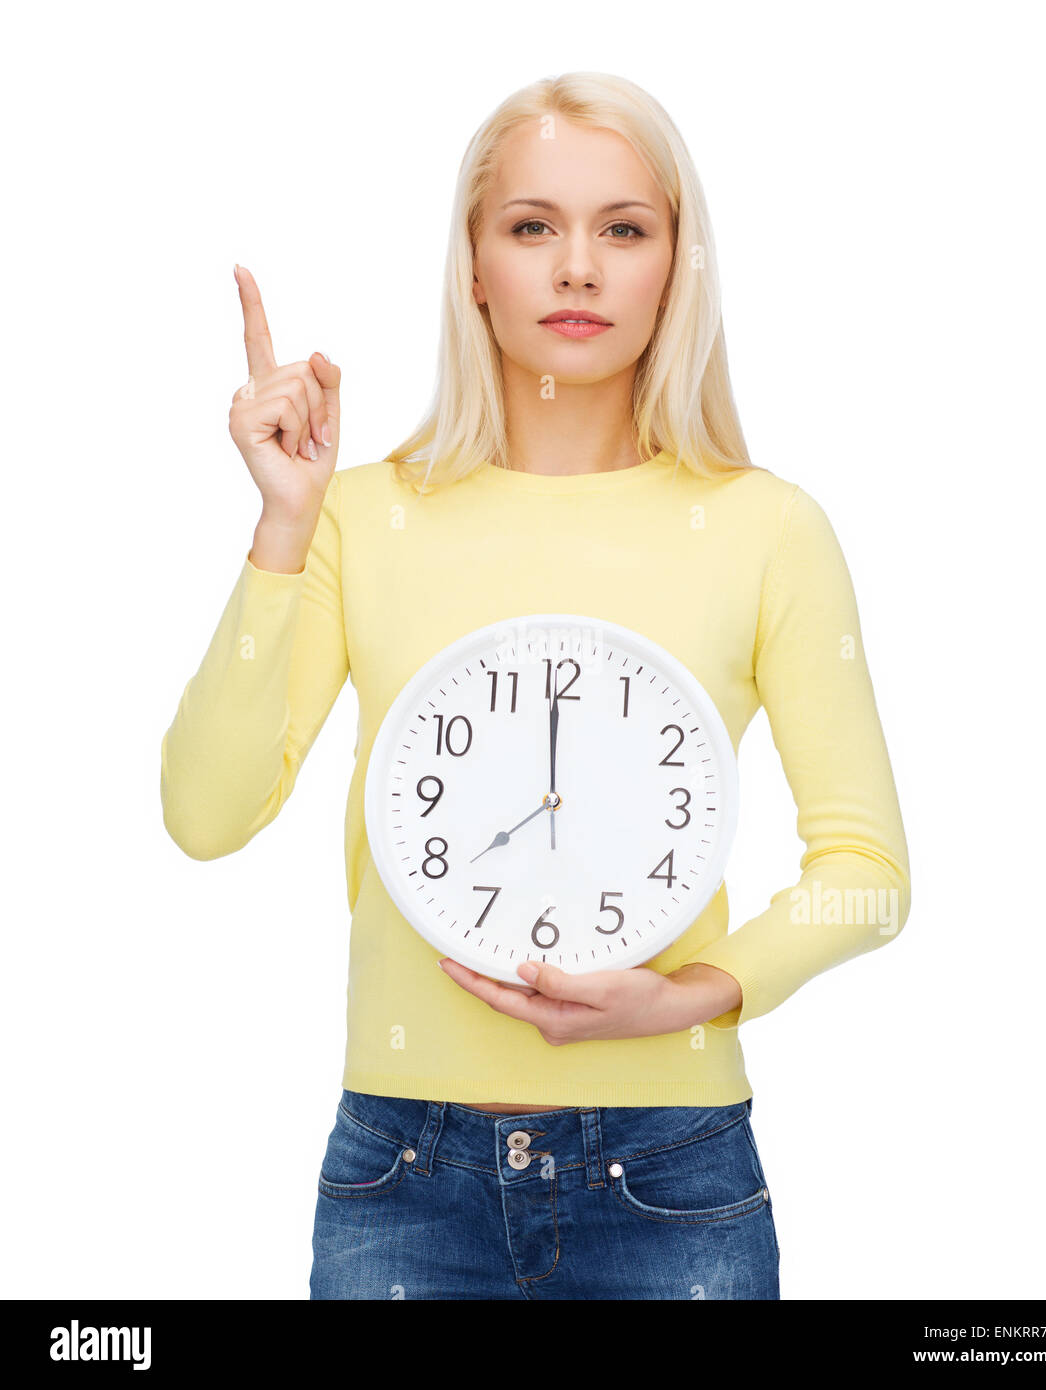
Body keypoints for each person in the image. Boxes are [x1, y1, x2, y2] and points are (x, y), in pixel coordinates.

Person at [160, 71, 911, 1300]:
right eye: (531, 227)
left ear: (678, 264)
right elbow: (204, 814)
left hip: (669, 1176)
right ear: (473, 268)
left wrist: (687, 997)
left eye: (623, 228)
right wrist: (283, 529)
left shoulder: (767, 528)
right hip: (402, 1173)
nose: (577, 268)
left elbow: (868, 877)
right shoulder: (361, 516)